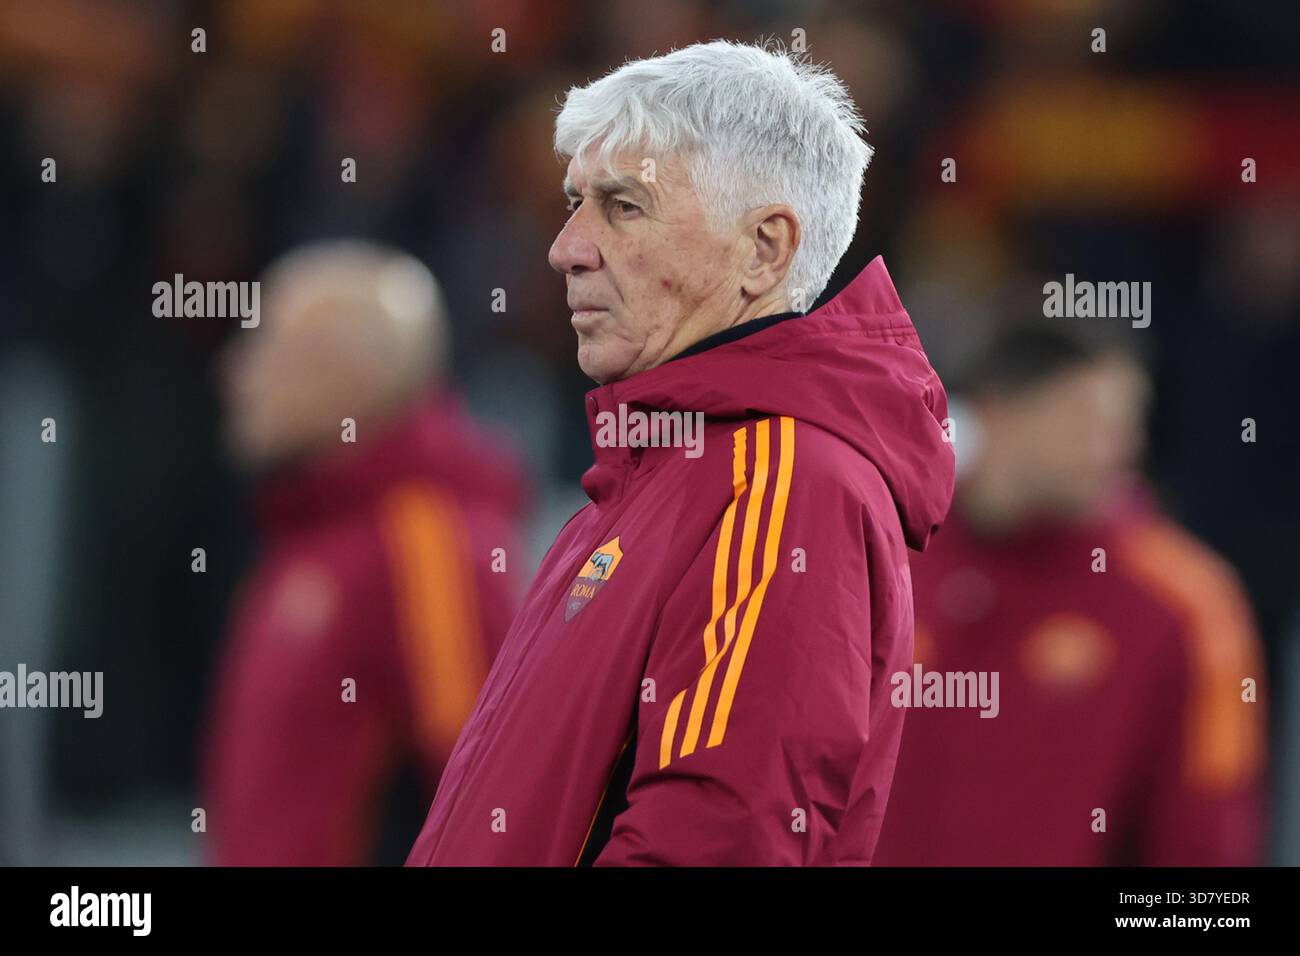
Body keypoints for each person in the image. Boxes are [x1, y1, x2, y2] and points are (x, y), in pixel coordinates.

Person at [406, 40, 955, 866]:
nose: (567, 247)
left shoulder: (785, 481)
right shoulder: (652, 475)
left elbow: (717, 840)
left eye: (623, 206)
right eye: (574, 202)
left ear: (765, 248)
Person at [872, 323, 1266, 865]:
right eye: (1086, 420)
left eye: (1128, 423)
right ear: (998, 413)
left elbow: (1206, 851)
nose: (1122, 447)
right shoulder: (886, 557)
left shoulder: (1185, 602)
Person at [202, 240, 529, 865]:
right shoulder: (311, 535)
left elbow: (490, 797)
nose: (236, 372)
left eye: (266, 345)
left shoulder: (427, 543)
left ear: (347, 375)